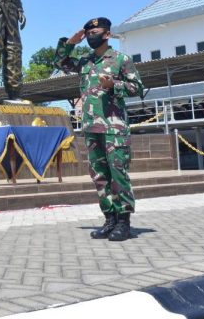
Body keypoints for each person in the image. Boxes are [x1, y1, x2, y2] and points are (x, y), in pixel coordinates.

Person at [53, 17, 143, 241]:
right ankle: (109, 218)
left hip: (114, 127)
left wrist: (115, 85)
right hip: (91, 127)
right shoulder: (85, 62)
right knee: (99, 175)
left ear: (107, 34)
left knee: (117, 173)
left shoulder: (121, 59)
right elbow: (60, 63)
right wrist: (70, 42)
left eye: (96, 31)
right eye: (88, 32)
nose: (91, 35)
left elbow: (137, 88)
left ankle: (124, 222)